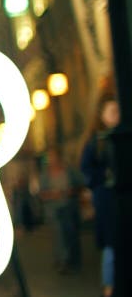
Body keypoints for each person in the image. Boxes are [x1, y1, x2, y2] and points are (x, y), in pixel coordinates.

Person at [81, 97, 119, 297]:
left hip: (116, 199)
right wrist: (105, 176)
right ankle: (109, 287)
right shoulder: (96, 142)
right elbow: (87, 171)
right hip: (107, 201)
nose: (117, 116)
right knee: (111, 245)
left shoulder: (119, 136)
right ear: (101, 115)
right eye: (112, 112)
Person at [40, 148, 82, 274]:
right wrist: (53, 195)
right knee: (59, 234)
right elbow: (42, 194)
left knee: (71, 233)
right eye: (50, 157)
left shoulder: (69, 171)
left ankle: (71, 259)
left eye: (53, 156)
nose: (52, 160)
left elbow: (80, 185)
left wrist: (69, 192)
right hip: (54, 209)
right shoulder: (45, 175)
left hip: (69, 207)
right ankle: (64, 260)